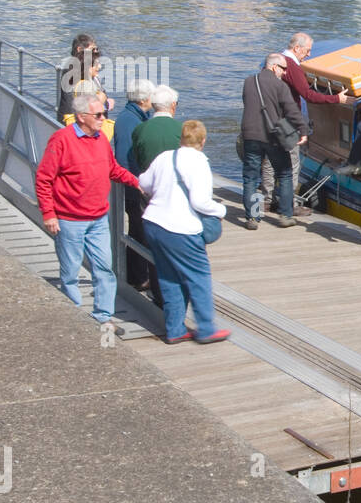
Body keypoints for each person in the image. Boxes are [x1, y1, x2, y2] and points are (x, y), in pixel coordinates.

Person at [35, 90, 139, 326]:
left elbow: (113, 169)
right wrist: (49, 213)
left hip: (99, 218)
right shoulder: (61, 140)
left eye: (104, 114)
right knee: (70, 273)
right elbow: (44, 179)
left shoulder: (101, 139)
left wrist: (137, 182)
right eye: (99, 114)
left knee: (104, 268)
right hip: (69, 219)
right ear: (82, 116)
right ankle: (74, 318)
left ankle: (103, 315)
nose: (104, 118)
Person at [138, 120, 230, 345]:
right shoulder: (199, 162)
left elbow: (143, 182)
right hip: (181, 229)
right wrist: (221, 209)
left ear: (181, 139)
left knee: (169, 277)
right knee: (198, 277)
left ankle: (175, 329)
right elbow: (200, 202)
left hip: (153, 223)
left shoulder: (165, 157)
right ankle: (207, 328)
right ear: (203, 141)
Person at [269, 32, 342, 217]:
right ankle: (290, 205)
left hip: (272, 119)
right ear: (297, 48)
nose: (309, 55)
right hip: (287, 122)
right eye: (307, 51)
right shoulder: (292, 67)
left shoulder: (276, 61)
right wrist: (336, 98)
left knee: (270, 161)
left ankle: (268, 199)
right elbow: (308, 94)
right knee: (292, 164)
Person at [241, 54, 307, 229]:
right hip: (273, 137)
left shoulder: (249, 82)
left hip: (250, 136)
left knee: (251, 177)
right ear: (274, 67)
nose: (285, 73)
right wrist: (303, 130)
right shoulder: (280, 86)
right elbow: (292, 110)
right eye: (283, 69)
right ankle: (285, 216)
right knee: (285, 174)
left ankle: (253, 218)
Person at [112, 79, 155, 290]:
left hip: (131, 185)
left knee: (138, 230)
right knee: (139, 231)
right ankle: (137, 278)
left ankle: (136, 274)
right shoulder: (131, 122)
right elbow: (126, 159)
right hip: (132, 188)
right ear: (145, 99)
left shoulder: (129, 117)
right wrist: (138, 184)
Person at [58, 34, 114, 125]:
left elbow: (102, 93)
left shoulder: (92, 73)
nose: (95, 51)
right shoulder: (72, 71)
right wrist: (105, 104)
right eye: (92, 49)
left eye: (96, 49)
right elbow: (75, 103)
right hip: (76, 123)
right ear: (80, 49)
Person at [131, 85, 182, 174]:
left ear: (154, 105)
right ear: (173, 105)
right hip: (174, 181)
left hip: (147, 182)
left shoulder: (139, 129)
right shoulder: (183, 129)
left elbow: (137, 159)